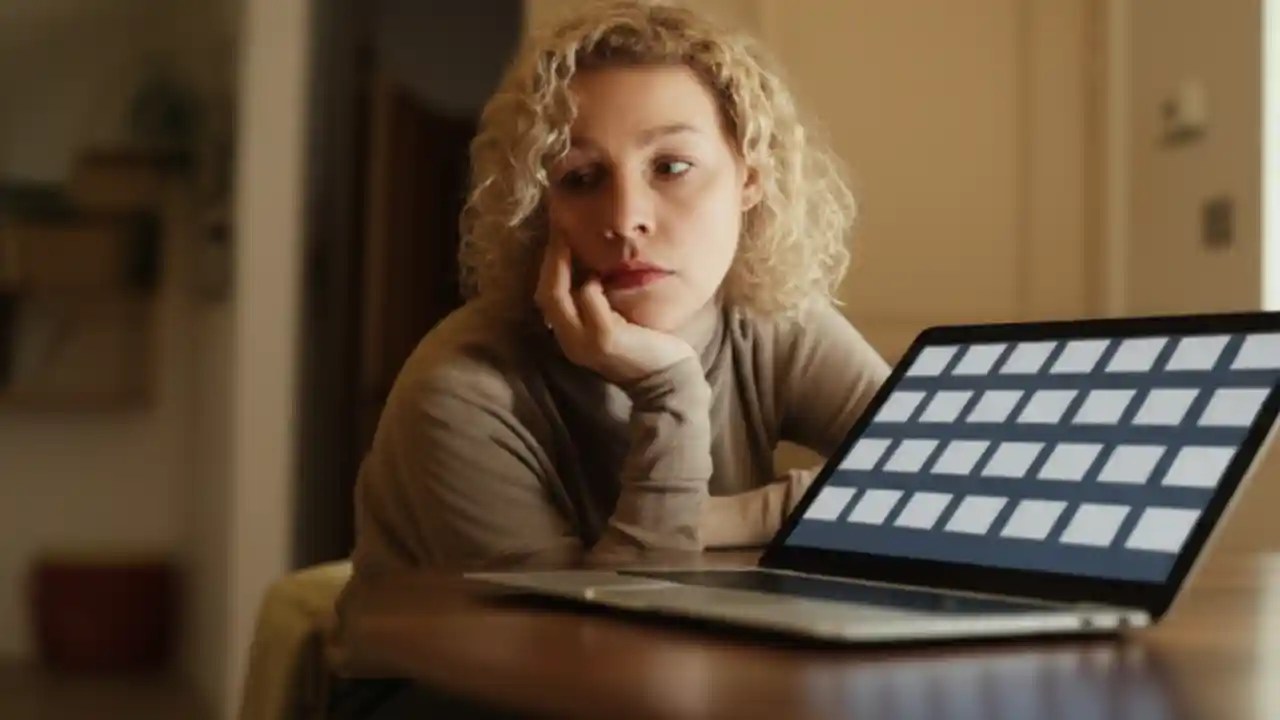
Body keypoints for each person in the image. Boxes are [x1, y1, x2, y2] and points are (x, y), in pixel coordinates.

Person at [328, 2, 889, 710]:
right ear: (541, 205)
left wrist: (721, 520)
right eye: (582, 178)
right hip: (447, 699)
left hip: (688, 671)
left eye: (672, 166)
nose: (626, 220)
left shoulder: (771, 322)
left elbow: (939, 482)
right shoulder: (463, 387)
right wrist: (670, 391)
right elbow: (601, 660)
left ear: (750, 176)